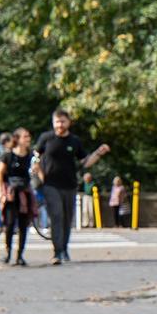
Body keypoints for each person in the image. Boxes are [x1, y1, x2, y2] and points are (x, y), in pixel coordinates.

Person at [34, 108, 108, 264]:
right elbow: (35, 158)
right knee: (56, 216)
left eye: (62, 121)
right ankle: (57, 252)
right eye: (57, 122)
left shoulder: (74, 141)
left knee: (67, 219)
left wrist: (99, 153)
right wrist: (41, 175)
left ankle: (64, 249)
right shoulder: (46, 138)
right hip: (50, 185)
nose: (59, 125)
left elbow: (85, 162)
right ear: (53, 122)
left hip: (69, 185)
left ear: (69, 122)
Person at [0, 129, 37, 265]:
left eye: (28, 136)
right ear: (17, 139)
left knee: (23, 224)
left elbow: (35, 171)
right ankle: (8, 252)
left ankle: (20, 255)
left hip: (25, 192)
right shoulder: (7, 156)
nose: (28, 139)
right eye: (25, 136)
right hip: (11, 193)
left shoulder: (31, 155)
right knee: (9, 224)